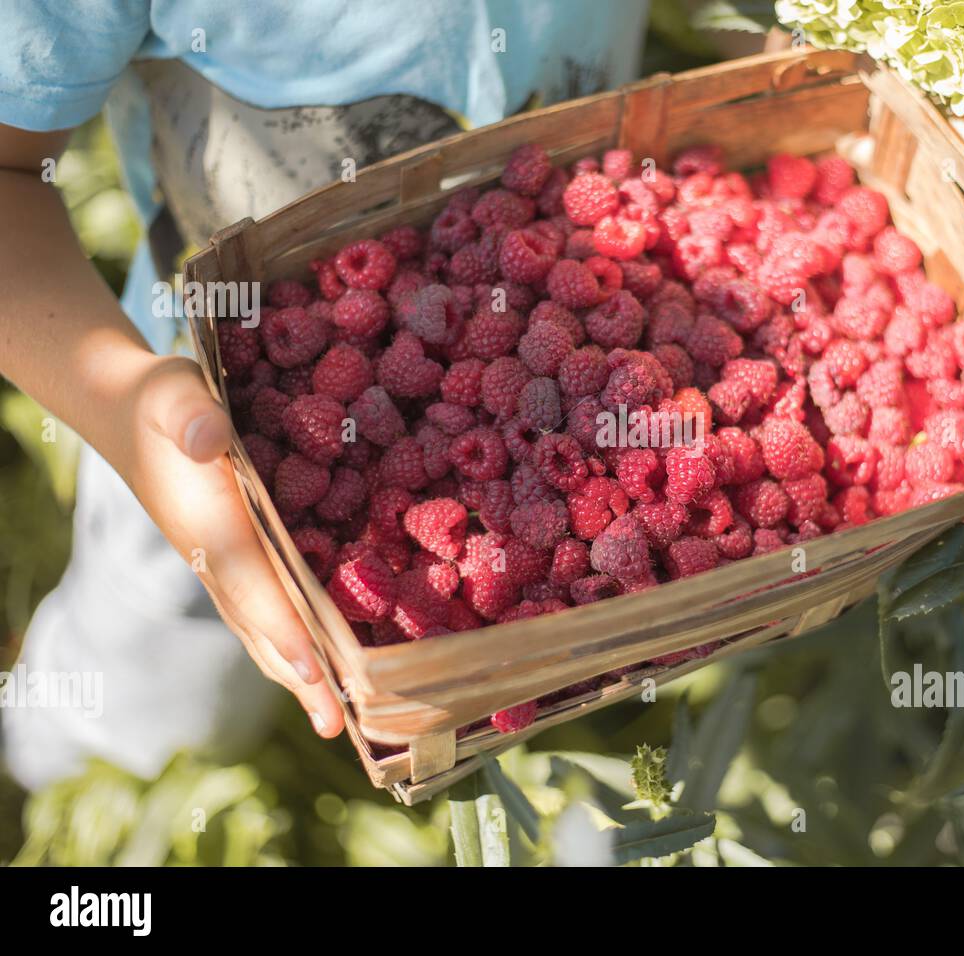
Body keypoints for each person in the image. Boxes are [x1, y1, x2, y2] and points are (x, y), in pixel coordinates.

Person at [0, 0, 650, 790]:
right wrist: (118, 399)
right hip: (192, 436)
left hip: (476, 370)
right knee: (160, 697)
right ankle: (49, 768)